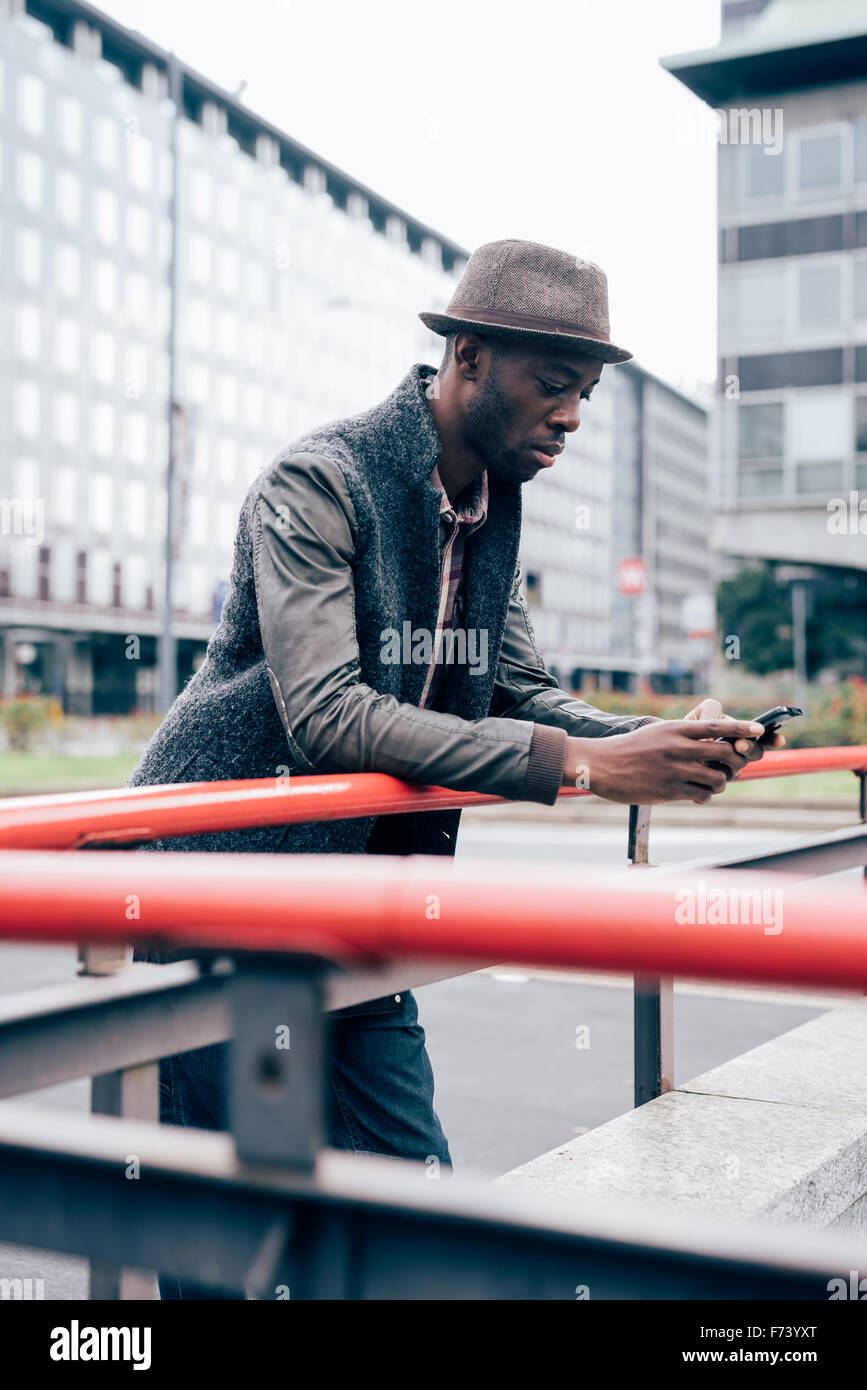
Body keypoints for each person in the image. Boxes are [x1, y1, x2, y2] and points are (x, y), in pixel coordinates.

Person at [128, 239, 780, 1298]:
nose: (572, 416)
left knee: (418, 1207)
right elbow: (328, 714)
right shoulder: (318, 482)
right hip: (222, 894)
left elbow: (518, 688)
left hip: (361, 907)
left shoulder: (488, 505)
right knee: (228, 1242)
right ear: (468, 359)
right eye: (553, 386)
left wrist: (662, 736)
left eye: (587, 393)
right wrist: (594, 769)